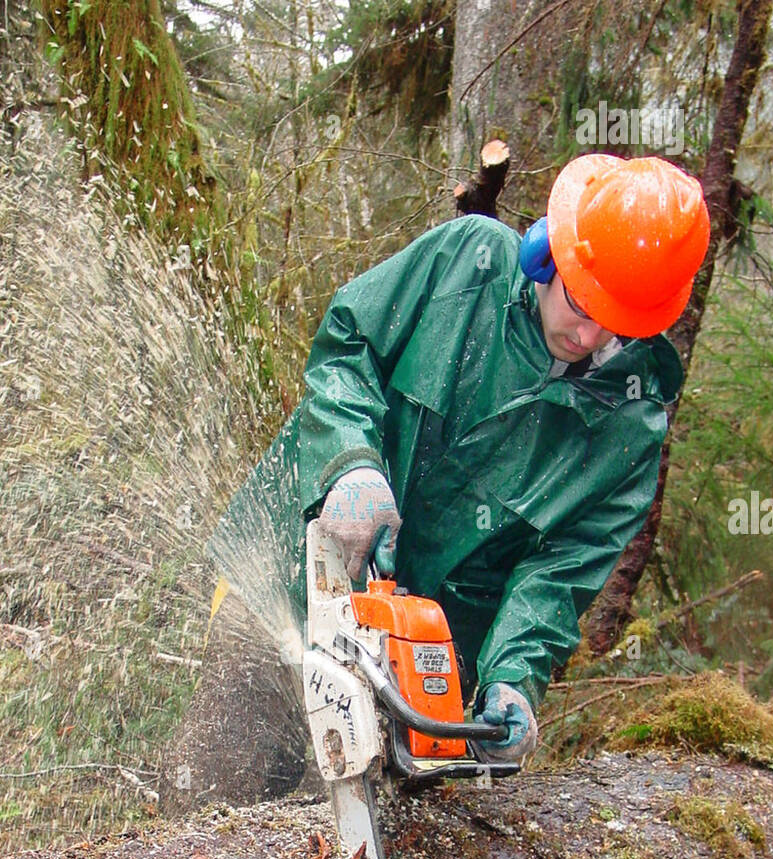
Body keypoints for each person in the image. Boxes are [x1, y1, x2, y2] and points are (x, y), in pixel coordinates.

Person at [172, 153, 710, 806]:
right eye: (579, 301)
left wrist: (514, 681)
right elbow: (349, 344)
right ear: (550, 254)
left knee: (332, 850)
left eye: (614, 321)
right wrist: (352, 463)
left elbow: (556, 579)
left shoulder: (628, 430)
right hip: (289, 576)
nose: (587, 332)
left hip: (408, 665)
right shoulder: (468, 260)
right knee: (210, 804)